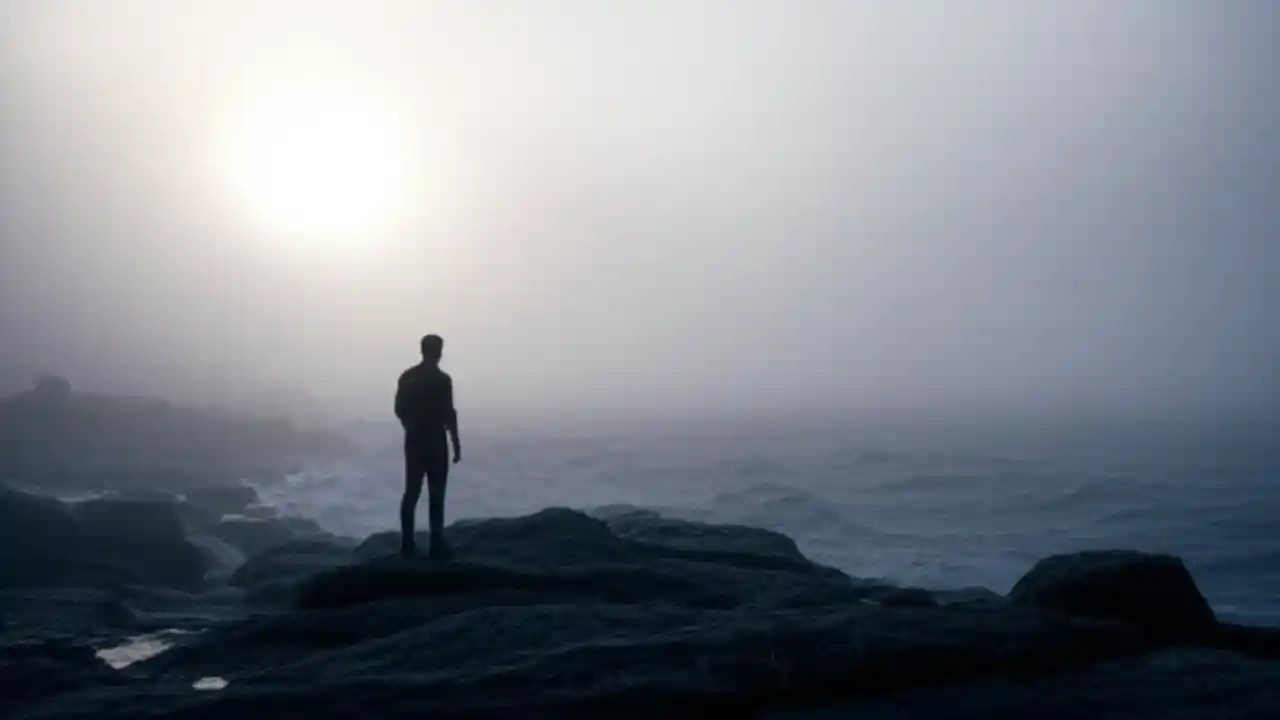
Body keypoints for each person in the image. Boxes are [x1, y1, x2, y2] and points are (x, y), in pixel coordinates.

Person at [394, 334, 461, 557]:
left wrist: (410, 426)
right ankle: (436, 544)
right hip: (435, 440)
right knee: (436, 493)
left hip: (415, 440)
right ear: (438, 352)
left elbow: (399, 408)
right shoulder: (443, 380)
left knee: (412, 492)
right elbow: (449, 413)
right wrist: (455, 441)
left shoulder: (408, 377)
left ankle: (407, 545)